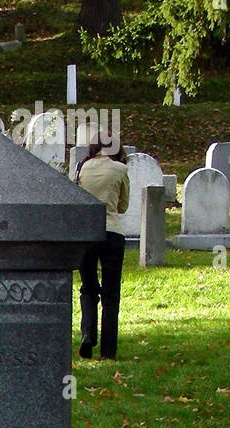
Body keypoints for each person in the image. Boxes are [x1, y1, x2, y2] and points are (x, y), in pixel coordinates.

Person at [75, 135, 129, 359]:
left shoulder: (82, 168)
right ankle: (108, 350)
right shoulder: (120, 169)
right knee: (110, 294)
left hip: (86, 233)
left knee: (88, 287)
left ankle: (88, 333)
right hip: (112, 232)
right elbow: (123, 206)